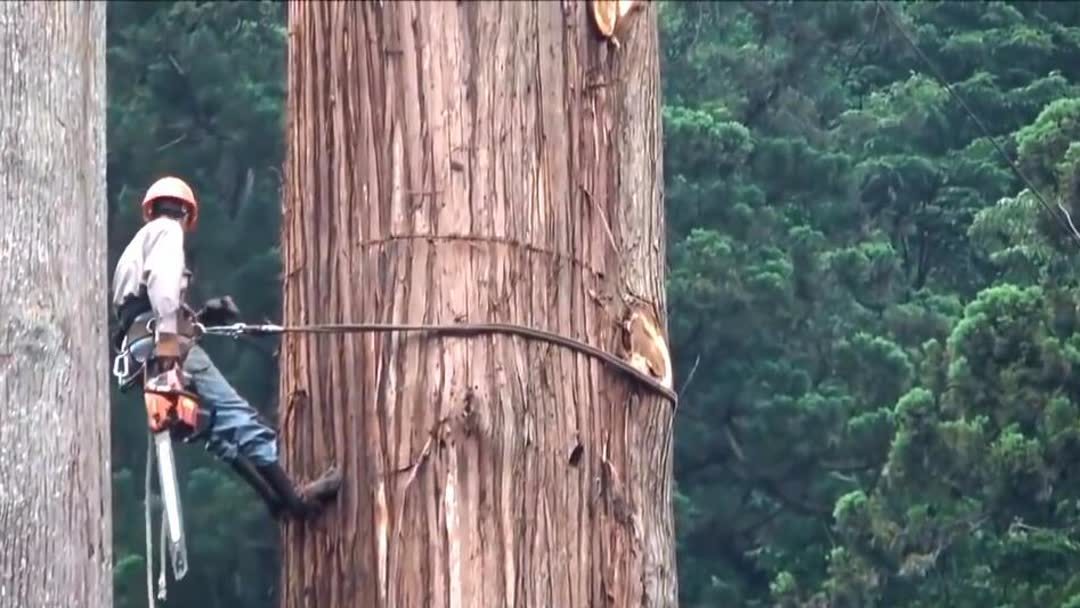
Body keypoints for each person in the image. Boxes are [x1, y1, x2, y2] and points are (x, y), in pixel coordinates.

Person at [111, 175, 342, 520]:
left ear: (151, 209)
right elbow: (162, 290)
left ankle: (272, 500)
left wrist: (204, 316)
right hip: (164, 347)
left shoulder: (136, 246)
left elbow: (142, 306)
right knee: (236, 416)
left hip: (143, 350)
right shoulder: (167, 232)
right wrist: (171, 353)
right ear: (186, 214)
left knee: (212, 427)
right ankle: (295, 498)